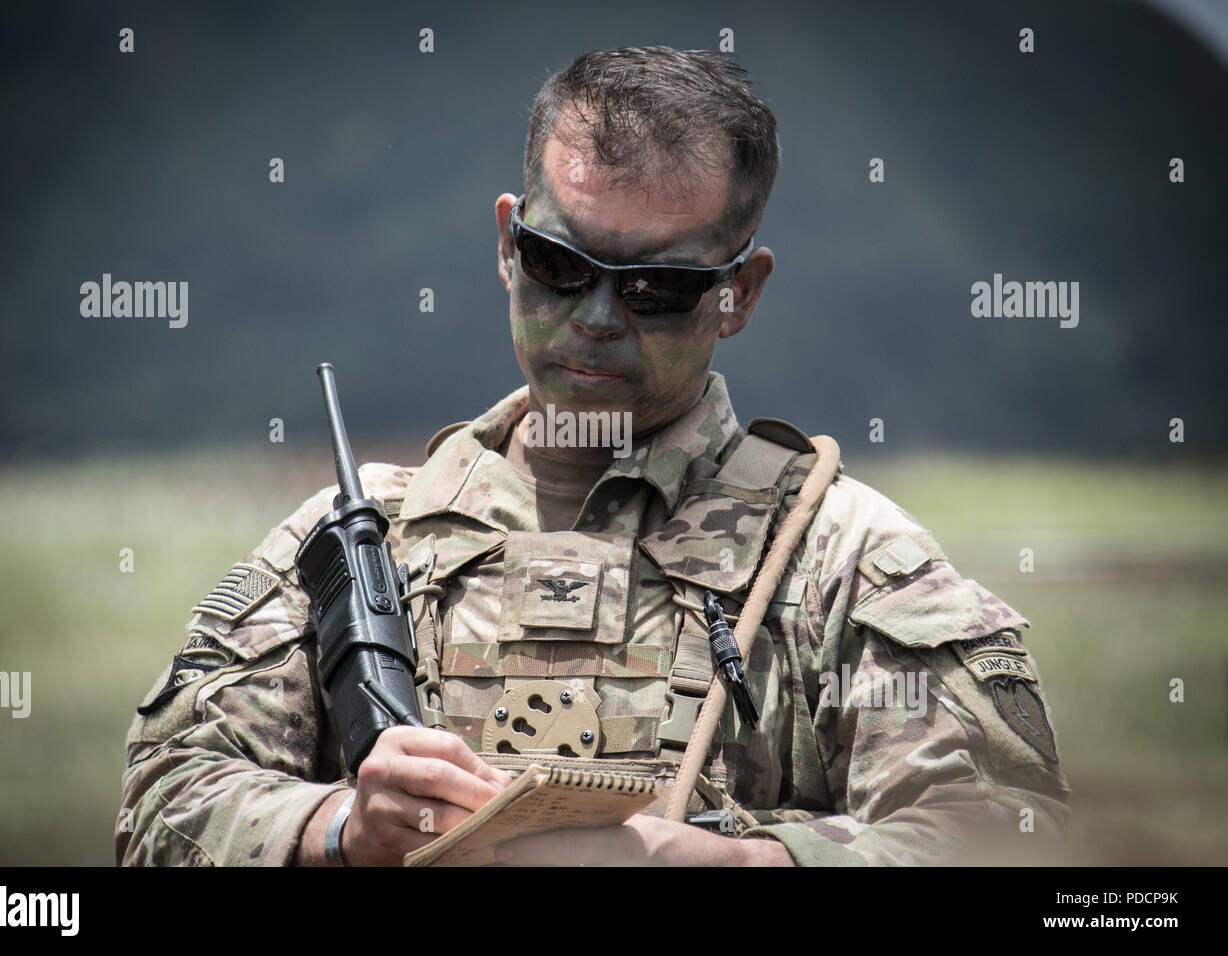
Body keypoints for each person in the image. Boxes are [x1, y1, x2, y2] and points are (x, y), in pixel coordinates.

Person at [116, 46, 1069, 867]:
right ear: (506, 243)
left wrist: (743, 861)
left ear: (739, 293)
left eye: (659, 285)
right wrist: (334, 827)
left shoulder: (846, 561)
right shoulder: (358, 544)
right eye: (560, 266)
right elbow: (159, 801)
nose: (599, 319)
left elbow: (1017, 843)